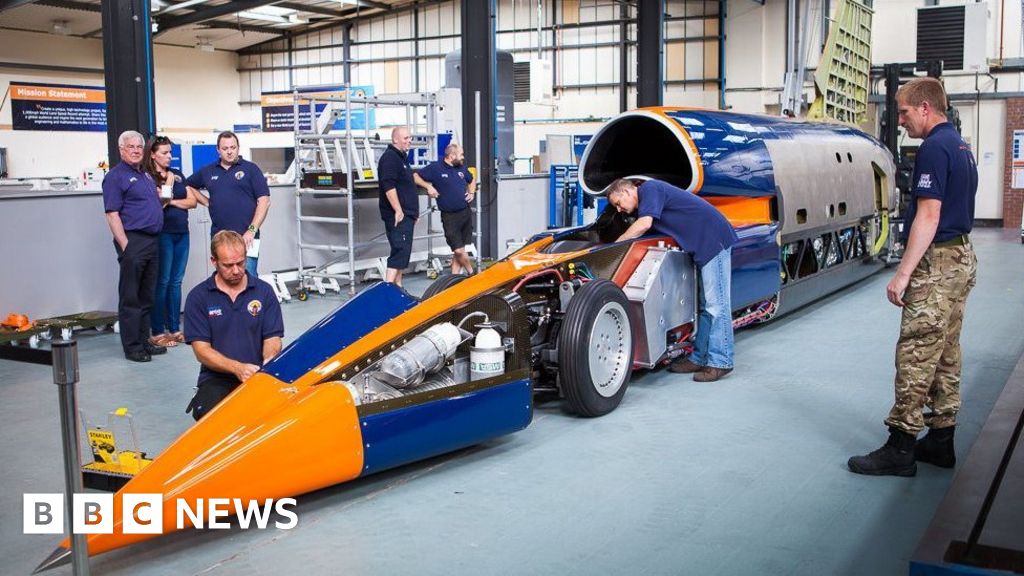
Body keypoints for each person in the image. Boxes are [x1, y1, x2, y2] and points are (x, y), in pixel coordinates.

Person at [848, 78, 977, 477]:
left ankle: (901, 446)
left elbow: (928, 214)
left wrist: (902, 275)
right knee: (945, 354)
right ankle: (941, 441)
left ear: (925, 108)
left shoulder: (934, 148)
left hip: (937, 264)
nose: (900, 120)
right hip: (959, 257)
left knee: (917, 353)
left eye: (904, 112)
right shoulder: (960, 145)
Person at [606, 178, 738, 382]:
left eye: (618, 203)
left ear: (626, 191)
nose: (620, 210)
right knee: (705, 307)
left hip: (713, 240)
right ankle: (699, 357)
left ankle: (721, 361)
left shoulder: (649, 189)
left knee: (716, 306)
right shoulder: (649, 202)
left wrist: (613, 246)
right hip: (703, 246)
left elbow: (644, 224)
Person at [183, 231, 283, 421]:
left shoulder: (264, 292)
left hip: (259, 374)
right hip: (218, 378)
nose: (236, 270)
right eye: (228, 265)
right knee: (211, 417)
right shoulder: (199, 297)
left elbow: (273, 338)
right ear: (214, 261)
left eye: (241, 263)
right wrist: (237, 368)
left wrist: (268, 361)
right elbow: (201, 350)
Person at [103, 130, 167, 363]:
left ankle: (144, 342)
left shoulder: (145, 176)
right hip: (133, 241)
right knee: (131, 297)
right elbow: (112, 214)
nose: (136, 150)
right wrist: (126, 245)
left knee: (146, 296)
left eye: (139, 147)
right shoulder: (115, 177)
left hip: (152, 241)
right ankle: (132, 348)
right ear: (121, 150)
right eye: (131, 146)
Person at [185, 131, 270, 278]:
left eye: (233, 147)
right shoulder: (208, 171)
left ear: (238, 147)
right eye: (225, 148)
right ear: (218, 150)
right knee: (223, 278)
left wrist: (252, 230)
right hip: (219, 237)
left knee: (249, 276)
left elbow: (264, 201)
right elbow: (188, 185)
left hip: (247, 237)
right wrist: (206, 201)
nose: (230, 152)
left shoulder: (251, 169)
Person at [144, 135, 197, 348]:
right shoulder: (148, 177)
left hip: (181, 233)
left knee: (176, 282)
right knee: (162, 282)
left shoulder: (178, 175)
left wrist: (173, 200)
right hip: (163, 233)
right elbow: (161, 203)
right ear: (153, 155)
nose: (169, 156)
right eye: (164, 153)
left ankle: (174, 328)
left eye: (170, 152)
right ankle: (157, 331)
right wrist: (168, 185)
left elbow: (192, 201)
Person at [414, 142, 476, 275]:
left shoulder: (461, 168)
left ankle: (455, 279)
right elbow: (415, 177)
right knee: (458, 250)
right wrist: (428, 187)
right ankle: (472, 273)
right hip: (450, 216)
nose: (463, 157)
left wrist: (471, 193)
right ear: (452, 156)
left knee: (459, 250)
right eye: (461, 154)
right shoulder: (435, 168)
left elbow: (471, 179)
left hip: (465, 213)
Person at [378, 126, 419, 286]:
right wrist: (398, 210)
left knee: (403, 253)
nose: (409, 141)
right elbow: (388, 185)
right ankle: (388, 288)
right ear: (395, 139)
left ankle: (398, 287)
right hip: (397, 215)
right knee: (399, 250)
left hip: (407, 215)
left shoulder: (402, 157)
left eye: (410, 138)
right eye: (406, 138)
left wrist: (412, 214)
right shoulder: (390, 158)